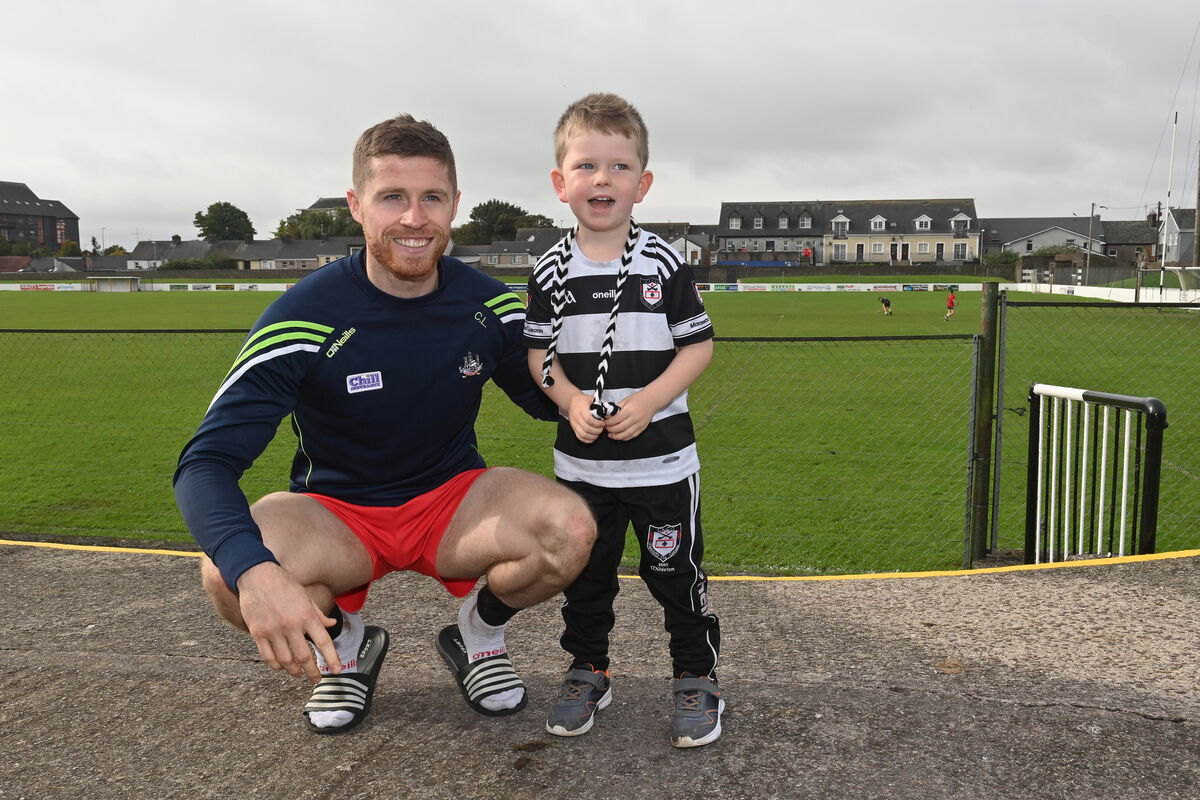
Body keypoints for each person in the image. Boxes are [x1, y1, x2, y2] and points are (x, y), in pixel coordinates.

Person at [173, 114, 596, 736]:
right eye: (392, 197)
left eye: (431, 198)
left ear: (455, 204)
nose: (414, 219)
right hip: (338, 512)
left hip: (452, 503)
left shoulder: (490, 304)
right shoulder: (303, 316)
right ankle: (348, 645)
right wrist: (255, 573)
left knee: (569, 529)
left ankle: (478, 634)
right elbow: (205, 464)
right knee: (225, 576)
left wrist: (622, 380)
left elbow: (546, 401)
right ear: (356, 206)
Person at [524, 93, 723, 748]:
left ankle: (695, 675)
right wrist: (570, 400)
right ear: (561, 183)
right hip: (582, 468)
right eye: (585, 166)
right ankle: (588, 669)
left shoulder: (663, 263)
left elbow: (698, 347)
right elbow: (539, 357)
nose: (601, 179)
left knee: (674, 575)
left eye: (618, 166)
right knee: (586, 578)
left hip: (663, 463)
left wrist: (649, 401)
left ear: (643, 183)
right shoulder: (548, 270)